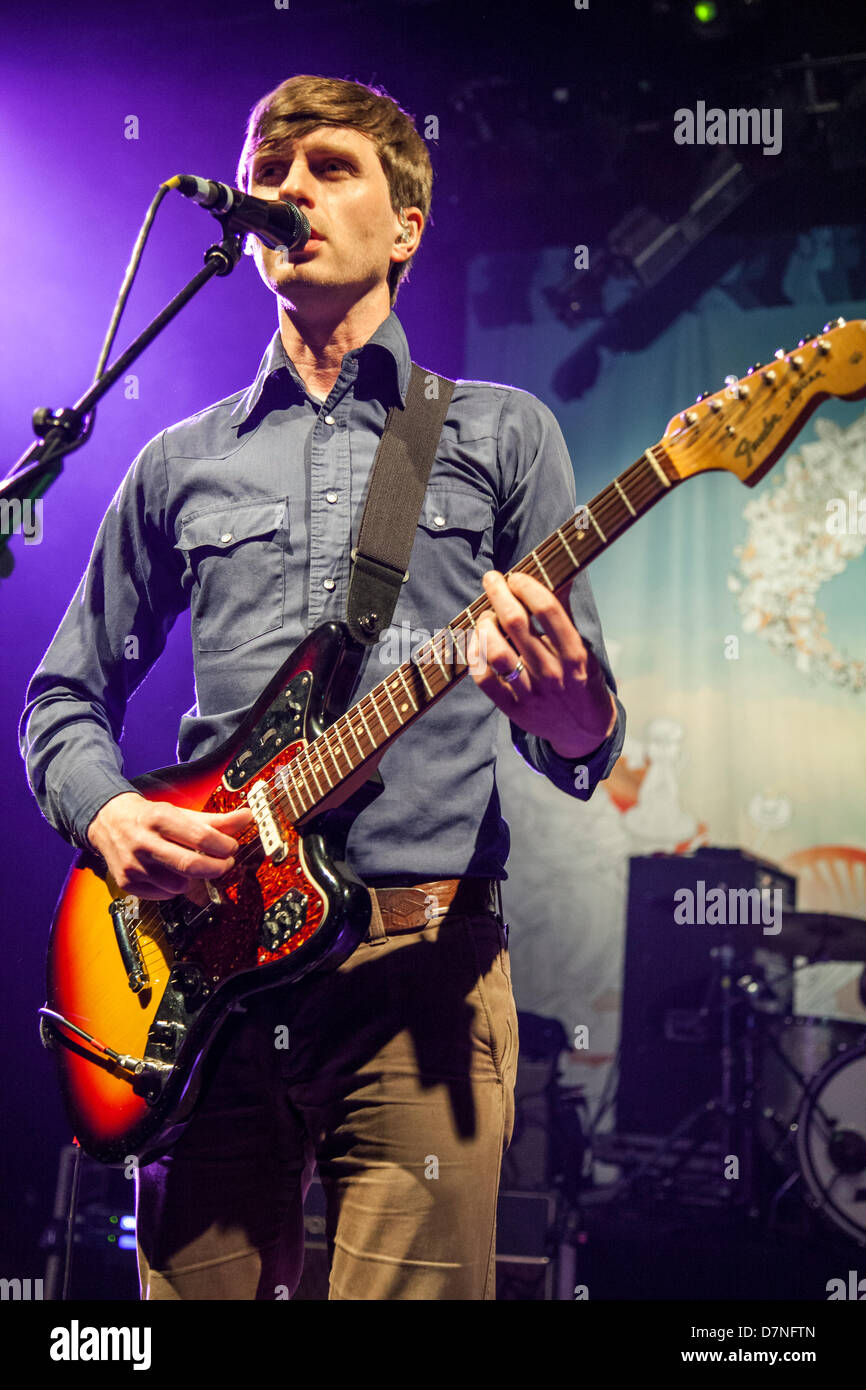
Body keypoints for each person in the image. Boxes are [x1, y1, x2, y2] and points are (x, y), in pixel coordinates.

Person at [20, 74, 625, 1300]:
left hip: (415, 975)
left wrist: (565, 708)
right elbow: (59, 701)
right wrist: (111, 813)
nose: (286, 189)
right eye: (271, 169)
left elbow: (580, 735)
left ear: (406, 225)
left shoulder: (499, 436)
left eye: (328, 167)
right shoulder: (177, 460)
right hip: (202, 985)